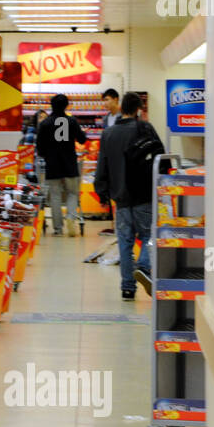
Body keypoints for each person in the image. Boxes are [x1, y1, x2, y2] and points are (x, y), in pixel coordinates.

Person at [94, 91, 164, 300]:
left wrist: (102, 192)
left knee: (125, 241)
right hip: (144, 194)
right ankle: (143, 265)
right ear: (138, 110)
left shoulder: (108, 133)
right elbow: (160, 155)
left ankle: (127, 287)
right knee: (149, 236)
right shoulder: (145, 128)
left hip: (120, 196)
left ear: (122, 108)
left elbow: (102, 165)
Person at [35, 94, 86, 235]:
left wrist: (47, 155)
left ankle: (57, 228)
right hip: (70, 163)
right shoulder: (72, 121)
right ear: (66, 105)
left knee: (55, 195)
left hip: (52, 165)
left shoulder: (45, 123)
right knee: (72, 193)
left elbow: (39, 148)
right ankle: (70, 217)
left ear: (51, 105)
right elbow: (82, 140)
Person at [98, 89, 122, 233]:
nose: (105, 103)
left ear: (116, 99)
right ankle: (115, 223)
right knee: (112, 191)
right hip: (109, 158)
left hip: (120, 159)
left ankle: (120, 225)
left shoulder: (124, 116)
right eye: (104, 101)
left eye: (107, 100)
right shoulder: (106, 119)